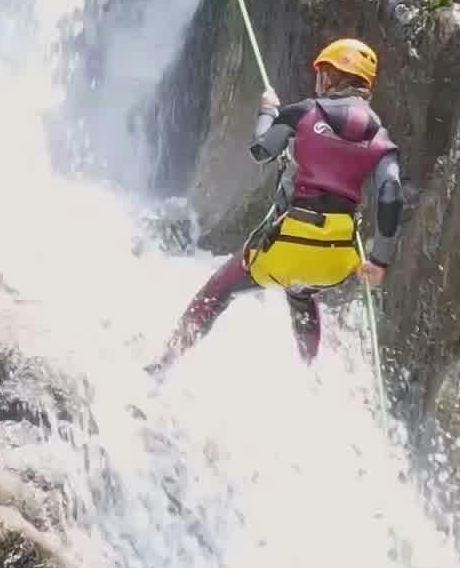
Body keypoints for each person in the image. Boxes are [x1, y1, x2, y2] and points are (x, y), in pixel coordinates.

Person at [155, 38, 406, 371]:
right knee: (301, 292)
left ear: (329, 76)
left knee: (219, 290)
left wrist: (268, 111)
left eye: (321, 73)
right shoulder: (382, 141)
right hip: (335, 260)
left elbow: (261, 151)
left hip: (287, 241)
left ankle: (163, 364)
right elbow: (391, 193)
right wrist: (379, 261)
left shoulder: (302, 113)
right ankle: (309, 377)